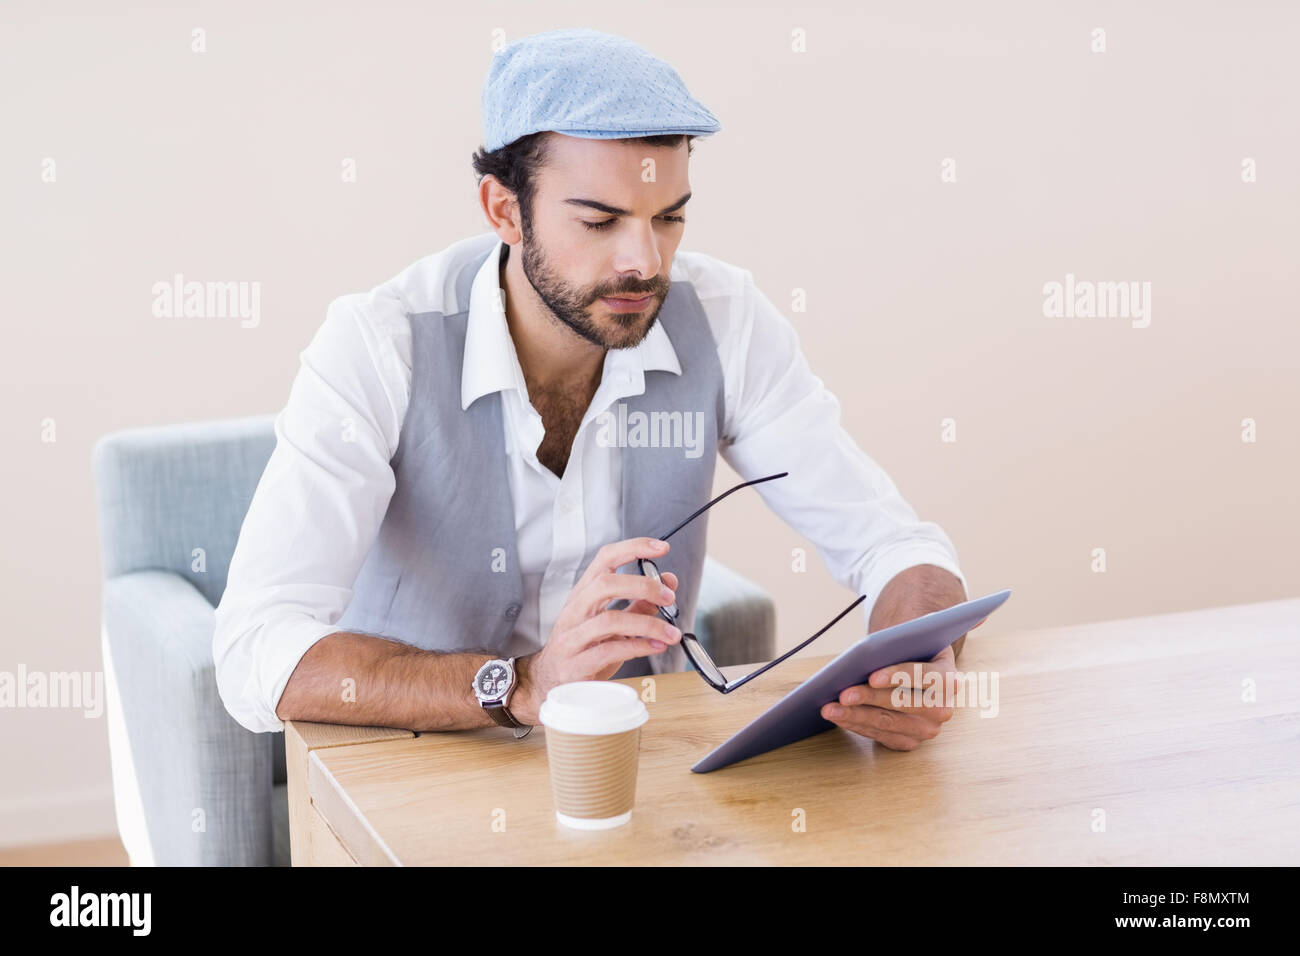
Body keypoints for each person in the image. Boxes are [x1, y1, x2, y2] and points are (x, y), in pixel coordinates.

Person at [213, 27, 972, 753]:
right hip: (415, 759)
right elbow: (257, 648)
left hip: (640, 765)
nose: (643, 261)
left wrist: (917, 657)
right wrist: (522, 686)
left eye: (668, 218)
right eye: (600, 222)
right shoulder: (380, 346)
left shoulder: (725, 320)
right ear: (504, 210)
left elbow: (895, 545)